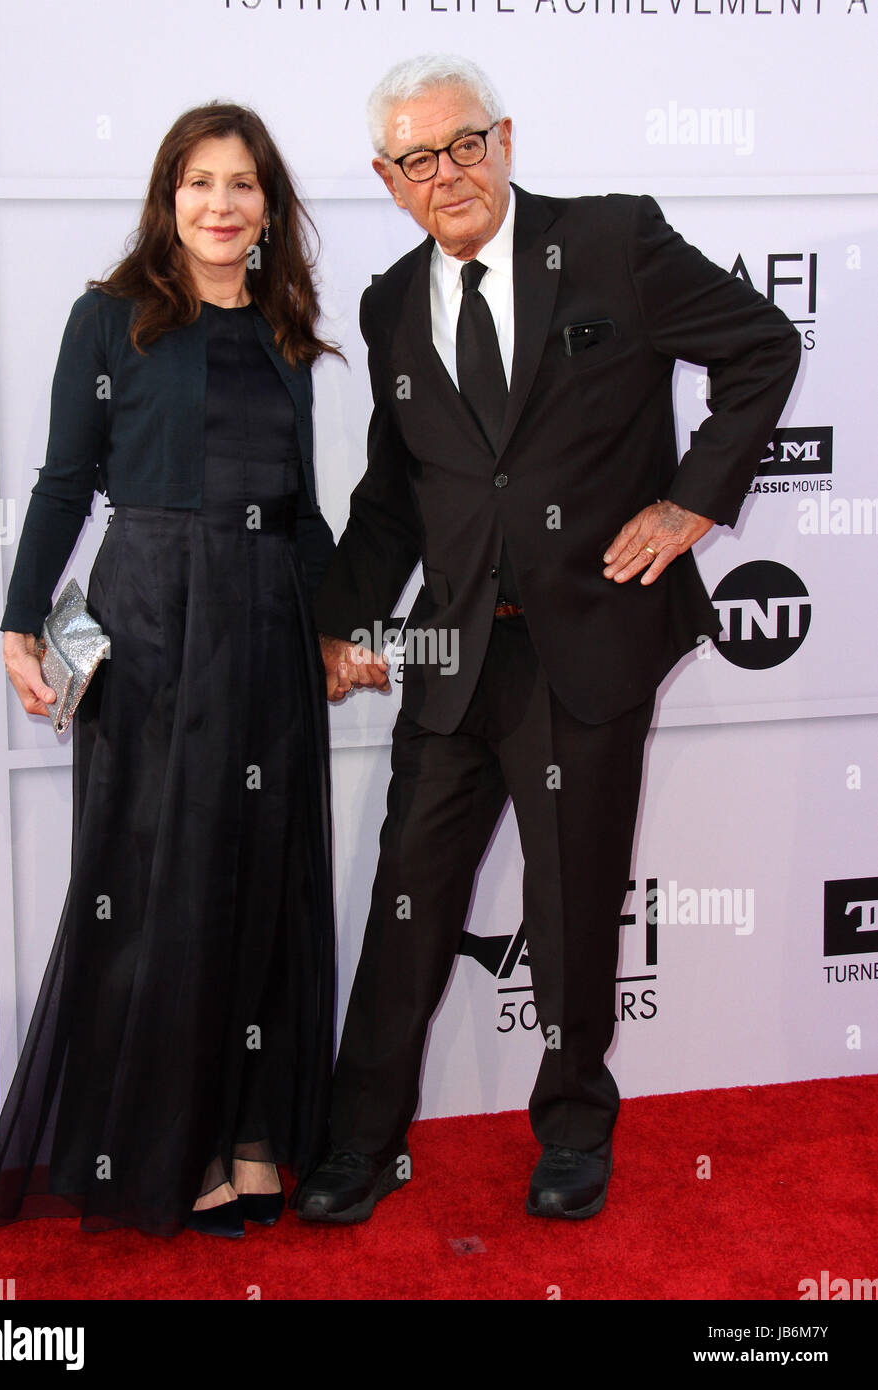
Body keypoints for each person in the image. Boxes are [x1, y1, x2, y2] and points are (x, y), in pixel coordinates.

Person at [298, 55, 801, 1223]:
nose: (449, 173)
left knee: (575, 904)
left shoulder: (614, 242)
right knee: (408, 898)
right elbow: (394, 491)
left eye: (465, 143)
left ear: (506, 139)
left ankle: (575, 1125)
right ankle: (360, 1138)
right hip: (452, 651)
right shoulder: (388, 303)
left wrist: (693, 502)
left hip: (589, 642)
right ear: (390, 178)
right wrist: (338, 616)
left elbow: (762, 347)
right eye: (419, 158)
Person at [0, 103, 338, 1239]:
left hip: (270, 620)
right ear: (167, 196)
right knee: (159, 887)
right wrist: (21, 617)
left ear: (268, 208)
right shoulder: (111, 316)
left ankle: (251, 1133)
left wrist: (341, 623)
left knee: (265, 877)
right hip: (157, 617)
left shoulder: (286, 324)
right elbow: (63, 483)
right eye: (198, 181)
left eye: (243, 184)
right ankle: (160, 1151)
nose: (221, 204)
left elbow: (303, 508)